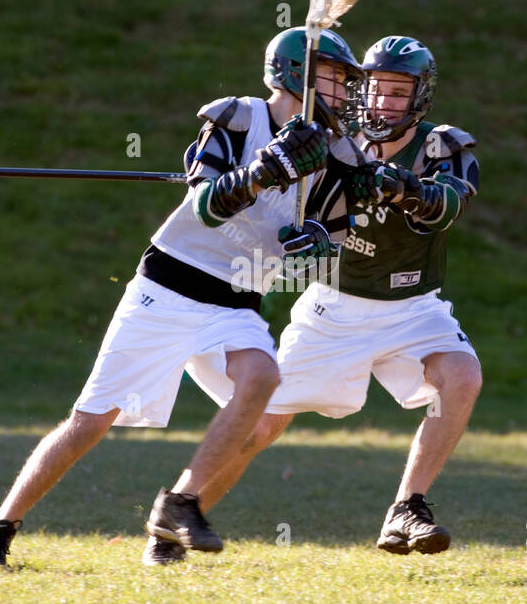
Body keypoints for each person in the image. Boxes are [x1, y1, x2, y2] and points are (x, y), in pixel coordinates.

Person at [0, 27, 365, 569]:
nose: (344, 92)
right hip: (170, 283)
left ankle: (177, 512)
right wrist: (263, 170)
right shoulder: (239, 119)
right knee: (92, 420)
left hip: (237, 300)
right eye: (334, 78)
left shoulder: (337, 152)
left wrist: (315, 242)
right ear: (295, 74)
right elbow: (206, 205)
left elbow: (331, 234)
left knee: (264, 394)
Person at [192, 35, 482, 556]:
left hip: (415, 308)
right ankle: (183, 511)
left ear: (419, 97)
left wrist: (402, 188)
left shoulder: (442, 147)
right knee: (259, 427)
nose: (383, 102)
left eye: (398, 92)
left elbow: (447, 206)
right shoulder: (333, 141)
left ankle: (407, 508)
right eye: (374, 90)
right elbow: (292, 213)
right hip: (334, 309)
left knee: (461, 376)